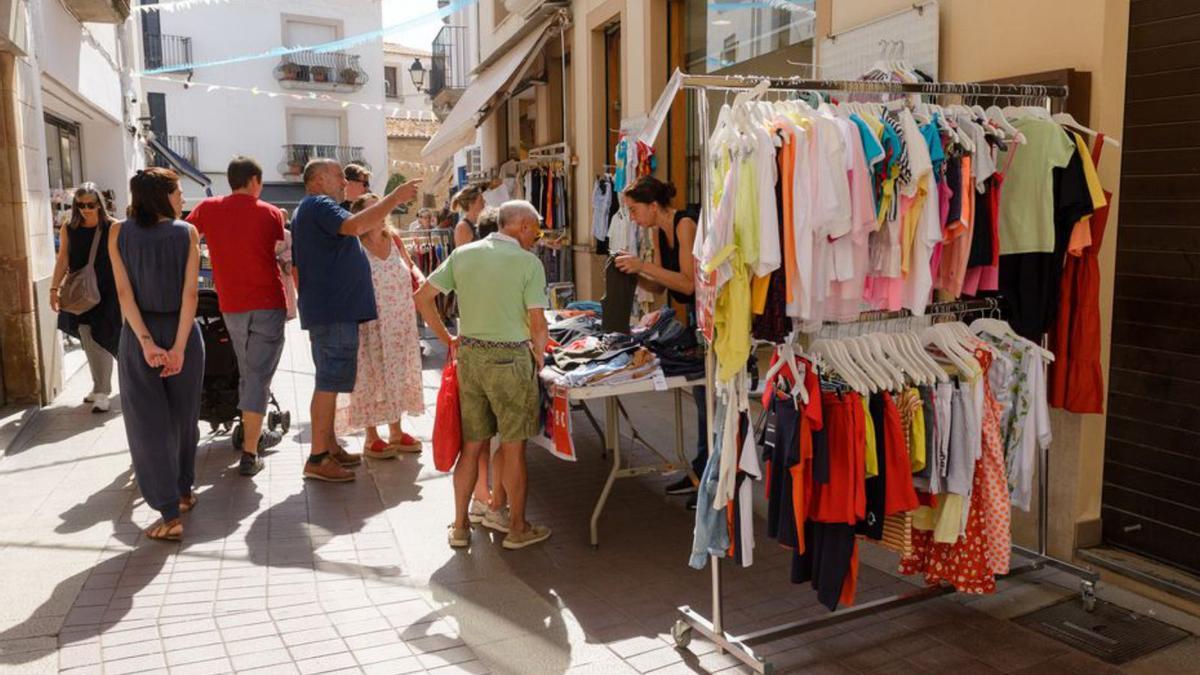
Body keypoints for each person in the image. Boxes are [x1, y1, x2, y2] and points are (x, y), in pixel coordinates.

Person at [415, 200, 552, 551]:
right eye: (535, 228)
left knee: (471, 446)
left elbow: (422, 297)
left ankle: (461, 527)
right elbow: (538, 324)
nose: (537, 235)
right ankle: (517, 528)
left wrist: (447, 338)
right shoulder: (528, 263)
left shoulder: (464, 254)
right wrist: (539, 357)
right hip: (510, 358)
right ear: (521, 226)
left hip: (471, 356)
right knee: (513, 448)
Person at [291, 158, 421, 482]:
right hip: (333, 311)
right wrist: (394, 198)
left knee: (331, 382)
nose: (343, 183)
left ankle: (329, 447)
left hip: (333, 310)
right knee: (329, 383)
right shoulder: (320, 204)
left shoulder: (312, 208)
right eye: (338, 176)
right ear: (318, 179)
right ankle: (319, 457)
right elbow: (354, 226)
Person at [110, 168, 204, 542]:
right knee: (184, 418)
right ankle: (183, 492)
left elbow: (123, 294)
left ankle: (169, 513)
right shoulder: (187, 233)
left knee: (147, 424)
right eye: (178, 191)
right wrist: (178, 346)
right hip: (182, 329)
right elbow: (190, 296)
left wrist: (147, 343)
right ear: (161, 195)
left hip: (138, 334)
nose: (183, 197)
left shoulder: (118, 231)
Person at [185, 156, 287, 476]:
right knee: (257, 375)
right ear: (254, 181)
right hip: (268, 301)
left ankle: (249, 430)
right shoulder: (270, 213)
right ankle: (249, 451)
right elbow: (278, 250)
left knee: (247, 369)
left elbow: (186, 235)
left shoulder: (208, 208)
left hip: (230, 303)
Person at [613, 176, 704, 509]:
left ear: (654, 205)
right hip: (691, 319)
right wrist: (635, 274)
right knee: (699, 395)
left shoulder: (684, 225)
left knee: (708, 400)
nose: (633, 218)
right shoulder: (657, 230)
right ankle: (699, 469)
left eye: (635, 210)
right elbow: (661, 288)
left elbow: (688, 283)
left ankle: (709, 477)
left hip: (708, 317)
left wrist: (643, 265)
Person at [335, 193, 426, 459]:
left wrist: (420, 277)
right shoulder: (353, 244)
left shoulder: (394, 239)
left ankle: (396, 431)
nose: (381, 211)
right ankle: (371, 436)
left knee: (396, 373)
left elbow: (410, 267)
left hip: (400, 321)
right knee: (370, 376)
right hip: (369, 322)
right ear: (360, 214)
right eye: (373, 207)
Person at [50, 183, 121, 413]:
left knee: (102, 337)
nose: (86, 209)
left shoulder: (113, 227)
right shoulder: (69, 229)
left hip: (108, 291)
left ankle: (102, 392)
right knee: (87, 338)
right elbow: (62, 260)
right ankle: (98, 385)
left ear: (99, 204)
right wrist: (54, 289)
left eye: (91, 204)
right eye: (81, 205)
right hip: (81, 293)